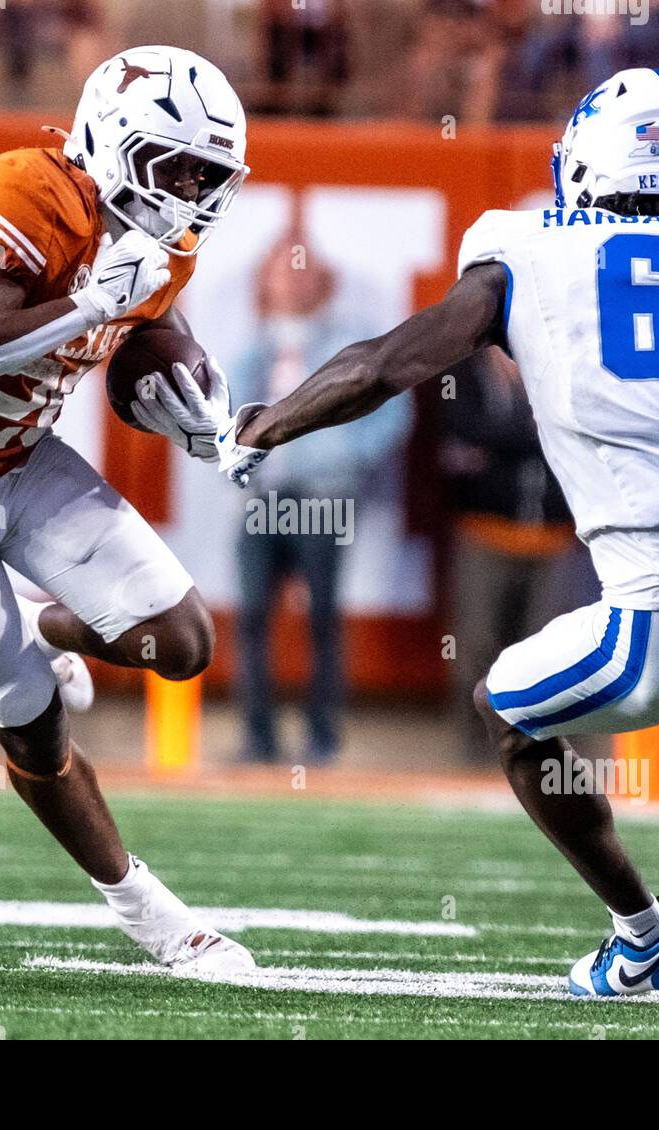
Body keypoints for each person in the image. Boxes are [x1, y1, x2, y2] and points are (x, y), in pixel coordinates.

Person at [207, 69, 659, 997]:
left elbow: (391, 362)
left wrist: (268, 421)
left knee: (505, 708)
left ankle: (645, 938)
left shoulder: (522, 248)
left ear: (591, 157)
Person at [0, 46, 256, 974]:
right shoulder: (32, 190)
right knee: (31, 725)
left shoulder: (163, 238)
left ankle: (46, 626)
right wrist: (84, 303)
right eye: (175, 165)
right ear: (112, 141)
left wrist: (182, 390)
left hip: (18, 460)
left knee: (182, 643)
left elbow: (149, 326)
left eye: (207, 175)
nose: (190, 191)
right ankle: (153, 917)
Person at [233, 228, 412, 764]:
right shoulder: (257, 347)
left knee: (322, 617)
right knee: (252, 619)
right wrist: (239, 468)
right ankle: (259, 737)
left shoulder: (348, 340)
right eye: (278, 269)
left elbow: (391, 414)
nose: (288, 279)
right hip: (265, 497)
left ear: (322, 280)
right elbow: (223, 418)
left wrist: (343, 457)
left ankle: (322, 737)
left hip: (323, 497)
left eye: (298, 267)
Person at [438, 348, 577, 764]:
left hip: (554, 535)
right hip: (485, 530)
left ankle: (542, 754)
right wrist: (535, 432)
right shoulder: (463, 371)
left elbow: (582, 432)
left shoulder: (564, 362)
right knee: (476, 645)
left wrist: (499, 441)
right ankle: (477, 753)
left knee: (551, 651)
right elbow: (462, 432)